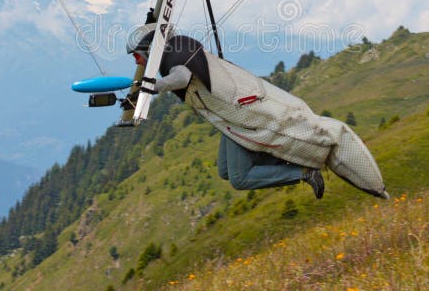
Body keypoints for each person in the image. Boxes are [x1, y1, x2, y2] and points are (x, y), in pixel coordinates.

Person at [125, 23, 388, 200]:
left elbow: (182, 77)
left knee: (240, 178)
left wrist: (153, 87)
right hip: (232, 119)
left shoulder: (176, 51)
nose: (136, 61)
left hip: (245, 116)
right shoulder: (177, 49)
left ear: (151, 47)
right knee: (225, 171)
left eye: (137, 55)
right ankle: (292, 162)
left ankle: (304, 172)